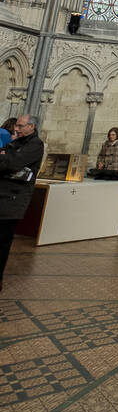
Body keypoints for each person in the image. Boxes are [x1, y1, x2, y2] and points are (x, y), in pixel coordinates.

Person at [0, 113, 45, 292]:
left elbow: (12, 163)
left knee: (2, 242)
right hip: (4, 194)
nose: (16, 129)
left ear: (31, 127)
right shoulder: (16, 142)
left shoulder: (35, 145)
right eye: (16, 126)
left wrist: (5, 158)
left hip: (12, 201)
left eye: (20, 126)